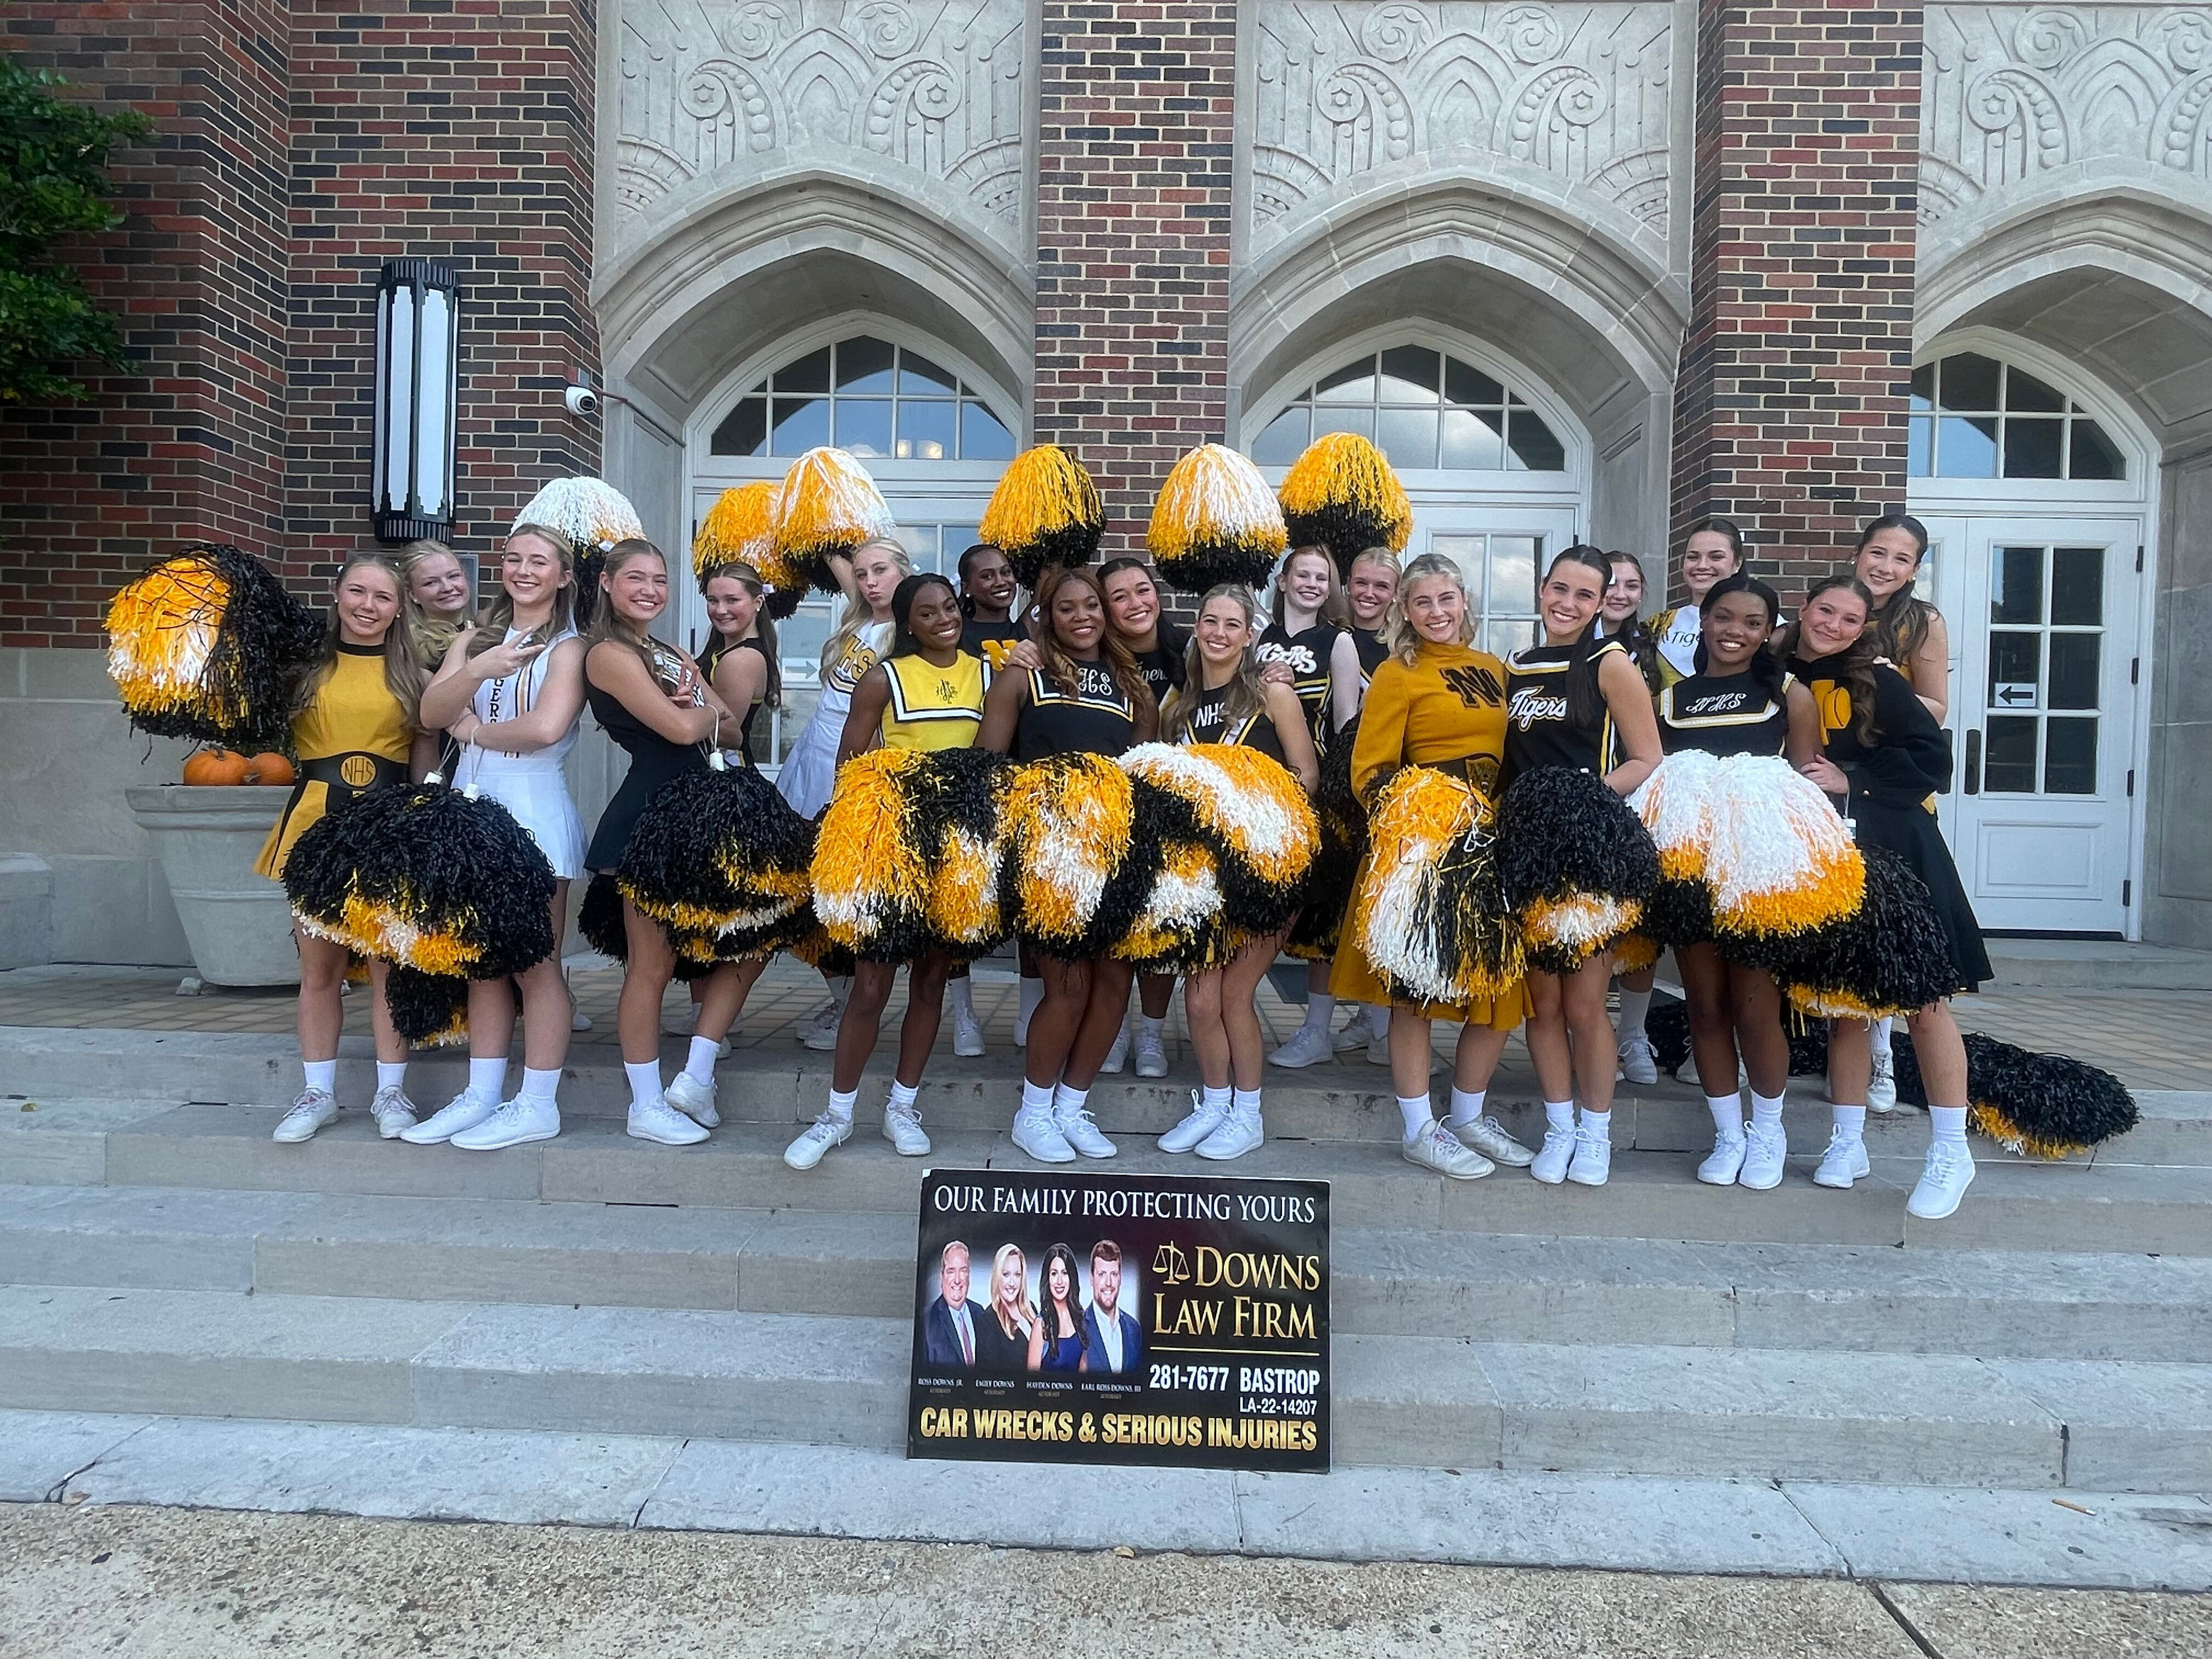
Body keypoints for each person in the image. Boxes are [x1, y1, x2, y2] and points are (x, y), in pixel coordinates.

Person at [1781, 574, 1988, 1218]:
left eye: (1850, 618)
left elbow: (1932, 762)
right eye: (1826, 611)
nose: (1834, 625)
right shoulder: (1776, 672)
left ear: (1863, 626)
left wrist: (1854, 779)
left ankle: (1951, 1150)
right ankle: (1846, 1143)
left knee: (1922, 1001)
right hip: (1826, 853)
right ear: (1804, 608)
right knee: (1845, 1003)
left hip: (1899, 848)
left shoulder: (1875, 678)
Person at [1333, 553, 1536, 1180]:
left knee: (1499, 986)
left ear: (1464, 601)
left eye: (1445, 599)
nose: (1436, 612)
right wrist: (1422, 819)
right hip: (1424, 844)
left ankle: (1467, 1116)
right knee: (1413, 993)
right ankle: (1419, 1128)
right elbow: (1368, 771)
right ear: (1404, 610)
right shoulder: (1398, 673)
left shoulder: (1494, 669)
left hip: (1486, 836)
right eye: (1421, 602)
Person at [784, 573, 987, 1171]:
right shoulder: (882, 677)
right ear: (907, 622)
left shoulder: (988, 674)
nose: (943, 618)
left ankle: (902, 1106)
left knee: (930, 982)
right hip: (895, 842)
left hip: (955, 847)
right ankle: (837, 1114)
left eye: (949, 607)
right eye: (927, 613)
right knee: (872, 984)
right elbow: (850, 766)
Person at [405, 524, 589, 1149]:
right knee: (481, 963)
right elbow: (431, 714)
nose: (522, 570)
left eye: (539, 561)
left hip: (533, 808)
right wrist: (478, 666)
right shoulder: (475, 637)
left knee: (536, 963)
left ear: (563, 575)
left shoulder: (570, 647)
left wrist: (477, 731)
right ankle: (481, 1094)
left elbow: (544, 727)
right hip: (470, 811)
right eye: (513, 558)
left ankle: (537, 1102)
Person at [977, 565, 1158, 1164]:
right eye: (1067, 608)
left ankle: (1071, 1107)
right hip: (1047, 849)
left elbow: (1143, 775)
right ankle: (1032, 1114)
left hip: (1114, 849)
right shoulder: (1021, 674)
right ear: (1046, 616)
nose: (1082, 616)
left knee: (1114, 983)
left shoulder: (1132, 685)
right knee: (1067, 984)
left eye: (1092, 606)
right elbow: (987, 765)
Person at [1652, 573, 1823, 1189]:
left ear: (1768, 631)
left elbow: (1806, 787)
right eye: (1724, 618)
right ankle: (1727, 1134)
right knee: (1704, 1007)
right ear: (1704, 620)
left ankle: (1767, 1131)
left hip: (1757, 874)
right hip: (1691, 872)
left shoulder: (1788, 694)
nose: (1735, 632)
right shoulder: (1671, 698)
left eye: (1751, 623)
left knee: (1755, 1008)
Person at [256, 553, 434, 1143]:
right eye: (356, 592)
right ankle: (318, 1092)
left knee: (389, 966)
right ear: (336, 596)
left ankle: (390, 1090)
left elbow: (423, 765)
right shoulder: (302, 669)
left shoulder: (417, 677)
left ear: (400, 606)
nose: (367, 606)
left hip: (387, 826)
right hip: (314, 824)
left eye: (382, 597)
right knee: (320, 969)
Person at [1504, 545, 1664, 1188]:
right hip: (1527, 852)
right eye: (1558, 590)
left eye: (1582, 596)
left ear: (1602, 604)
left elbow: (1646, 758)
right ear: (1541, 589)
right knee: (1540, 1006)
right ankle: (1559, 1125)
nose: (1566, 604)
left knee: (1583, 1004)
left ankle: (1595, 1134)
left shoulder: (1609, 662)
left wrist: (1580, 803)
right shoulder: (1513, 665)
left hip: (1589, 851)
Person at [1154, 585, 1320, 1161]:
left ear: (1251, 635)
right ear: (1197, 627)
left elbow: (1306, 777)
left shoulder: (1271, 690)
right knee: (1198, 1000)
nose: (1219, 632)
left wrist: (1243, 804)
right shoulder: (1177, 704)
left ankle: (1246, 1115)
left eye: (1232, 624)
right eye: (1210, 621)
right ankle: (1213, 1104)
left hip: (1266, 866)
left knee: (1233, 994)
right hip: (1202, 873)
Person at [582, 539, 739, 1147]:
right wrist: (698, 704)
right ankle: (645, 1104)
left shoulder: (668, 650)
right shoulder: (607, 654)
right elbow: (687, 725)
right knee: (652, 967)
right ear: (606, 583)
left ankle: (693, 1078)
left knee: (744, 943)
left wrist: (700, 703)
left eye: (660, 579)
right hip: (648, 818)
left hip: (699, 815)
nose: (650, 590)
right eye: (636, 579)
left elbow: (729, 721)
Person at [778, 538, 911, 1051]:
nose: (870, 581)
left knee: (844, 896)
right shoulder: (857, 625)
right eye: (862, 574)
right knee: (798, 892)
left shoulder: (908, 630)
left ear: (904, 570)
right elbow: (837, 556)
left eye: (882, 570)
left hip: (856, 767)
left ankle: (857, 1007)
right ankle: (842, 996)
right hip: (812, 758)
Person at [1262, 545, 1366, 1070]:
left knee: (1319, 918)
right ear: (1282, 581)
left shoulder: (1338, 640)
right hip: (1253, 789)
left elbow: (1347, 719)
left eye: (1321, 578)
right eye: (1301, 574)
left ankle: (1316, 1030)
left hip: (1312, 786)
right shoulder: (1255, 635)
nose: (1310, 584)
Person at [947, 541, 1023, 1059]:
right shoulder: (959, 637)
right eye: (987, 575)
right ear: (968, 586)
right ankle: (963, 1011)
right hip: (972, 774)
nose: (999, 581)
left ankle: (1030, 1008)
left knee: (1024, 897)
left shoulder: (1033, 635)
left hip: (1023, 775)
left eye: (1006, 572)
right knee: (962, 898)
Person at [1600, 549, 1666, 1085]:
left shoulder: (1652, 653)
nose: (1619, 593)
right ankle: (1593, 1034)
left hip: (1639, 793)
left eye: (1631, 585)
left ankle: (1633, 1035)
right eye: (1612, 583)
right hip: (1584, 801)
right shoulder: (1568, 645)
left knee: (1639, 929)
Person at [1853, 512, 1949, 722]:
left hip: (1886, 746)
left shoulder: (1923, 622)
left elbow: (1939, 712)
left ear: (1914, 571)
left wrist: (1896, 689)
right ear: (1857, 555)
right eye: (1878, 553)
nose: (1886, 568)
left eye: (1902, 559)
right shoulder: (1828, 608)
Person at [1646, 518, 1746, 687]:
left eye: (1716, 557)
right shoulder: (1658, 625)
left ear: (1737, 564)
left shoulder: (1765, 625)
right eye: (1693, 557)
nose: (1702, 565)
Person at [1081, 1239, 1143, 1375]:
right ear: (1092, 1278)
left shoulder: (1135, 1329)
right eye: (1102, 1274)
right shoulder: (1078, 1327)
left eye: (1114, 1274)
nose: (1108, 1283)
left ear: (1120, 1278)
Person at [922, 1240, 986, 1369]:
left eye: (963, 1271)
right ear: (942, 1277)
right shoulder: (926, 1319)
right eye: (951, 1271)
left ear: (969, 1276)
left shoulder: (980, 1313)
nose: (958, 1280)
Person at [972, 1242, 1035, 1372]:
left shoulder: (1031, 1309)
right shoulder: (987, 1322)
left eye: (1017, 1275)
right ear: (997, 1277)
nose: (1012, 1283)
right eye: (1006, 1275)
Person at [1028, 1242, 1088, 1373]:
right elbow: (1031, 1382)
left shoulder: (1080, 1319)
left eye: (1065, 1273)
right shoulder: (1040, 1326)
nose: (1060, 1281)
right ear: (1047, 1279)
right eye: (1054, 1274)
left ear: (1072, 1277)